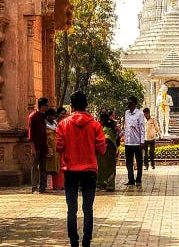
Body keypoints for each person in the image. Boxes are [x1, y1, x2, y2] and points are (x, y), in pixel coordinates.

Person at [56, 90, 107, 247]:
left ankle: (73, 241)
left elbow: (58, 146)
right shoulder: (95, 125)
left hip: (70, 170)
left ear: (71, 106)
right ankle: (86, 241)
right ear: (86, 105)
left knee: (71, 209)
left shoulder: (63, 124)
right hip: (89, 171)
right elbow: (102, 149)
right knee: (88, 208)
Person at [122, 95, 145, 186]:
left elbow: (142, 128)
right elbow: (126, 126)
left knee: (139, 162)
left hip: (137, 142)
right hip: (128, 142)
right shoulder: (126, 113)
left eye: (131, 103)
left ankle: (138, 179)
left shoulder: (140, 114)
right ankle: (131, 179)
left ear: (135, 104)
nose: (129, 105)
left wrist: (142, 141)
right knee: (128, 162)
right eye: (128, 103)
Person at [28, 96, 49, 193]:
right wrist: (32, 148)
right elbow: (30, 134)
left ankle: (43, 186)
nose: (47, 107)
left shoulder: (44, 116)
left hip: (43, 145)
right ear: (42, 106)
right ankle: (34, 186)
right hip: (36, 146)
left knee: (43, 167)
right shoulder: (33, 117)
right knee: (35, 166)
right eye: (46, 105)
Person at [96, 111, 119, 191]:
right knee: (109, 168)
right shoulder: (110, 128)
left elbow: (105, 140)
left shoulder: (106, 129)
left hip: (106, 152)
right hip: (109, 152)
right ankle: (107, 184)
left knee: (105, 168)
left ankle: (107, 184)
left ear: (102, 121)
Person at [44, 108, 59, 189]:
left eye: (54, 116)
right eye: (52, 116)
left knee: (55, 166)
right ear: (47, 116)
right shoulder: (44, 125)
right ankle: (46, 184)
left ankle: (56, 184)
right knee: (46, 167)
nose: (53, 118)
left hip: (56, 148)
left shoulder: (55, 124)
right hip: (48, 147)